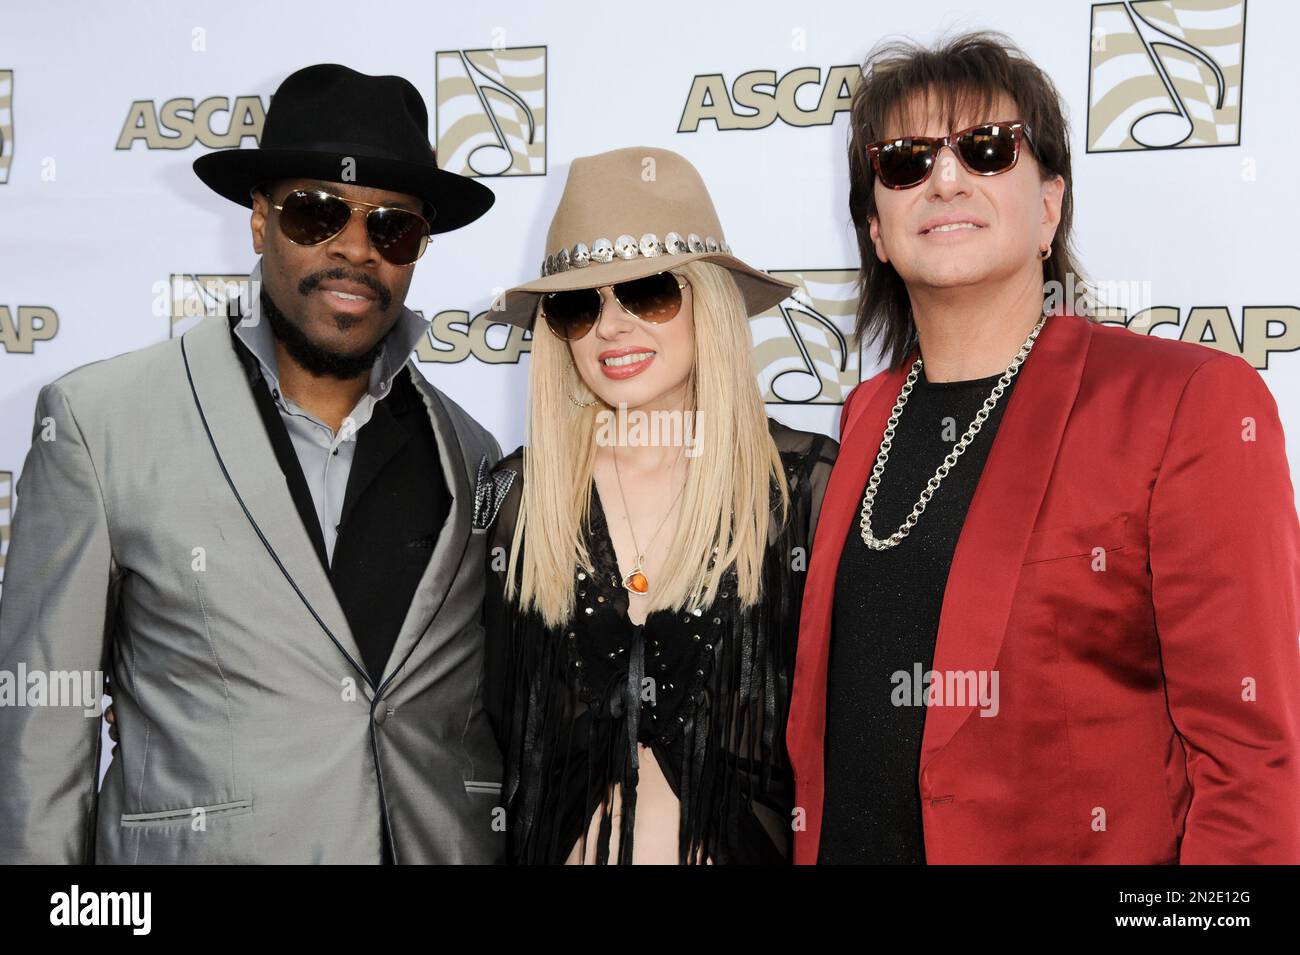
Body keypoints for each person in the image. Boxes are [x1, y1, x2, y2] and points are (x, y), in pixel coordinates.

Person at [788, 32, 1300, 865]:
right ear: (876, 230)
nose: (946, 177)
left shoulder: (1182, 403)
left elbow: (1251, 762)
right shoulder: (864, 420)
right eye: (906, 161)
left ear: (1050, 206)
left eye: (987, 150)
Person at [0, 64, 505, 864]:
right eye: (316, 214)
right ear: (260, 222)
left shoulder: (473, 456)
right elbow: (42, 735)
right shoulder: (100, 425)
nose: (354, 248)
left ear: (419, 250)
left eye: (392, 227)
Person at [480, 146, 838, 863]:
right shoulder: (521, 499)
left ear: (707, 297)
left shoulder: (799, 488)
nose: (611, 326)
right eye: (581, 305)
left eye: (646, 291)